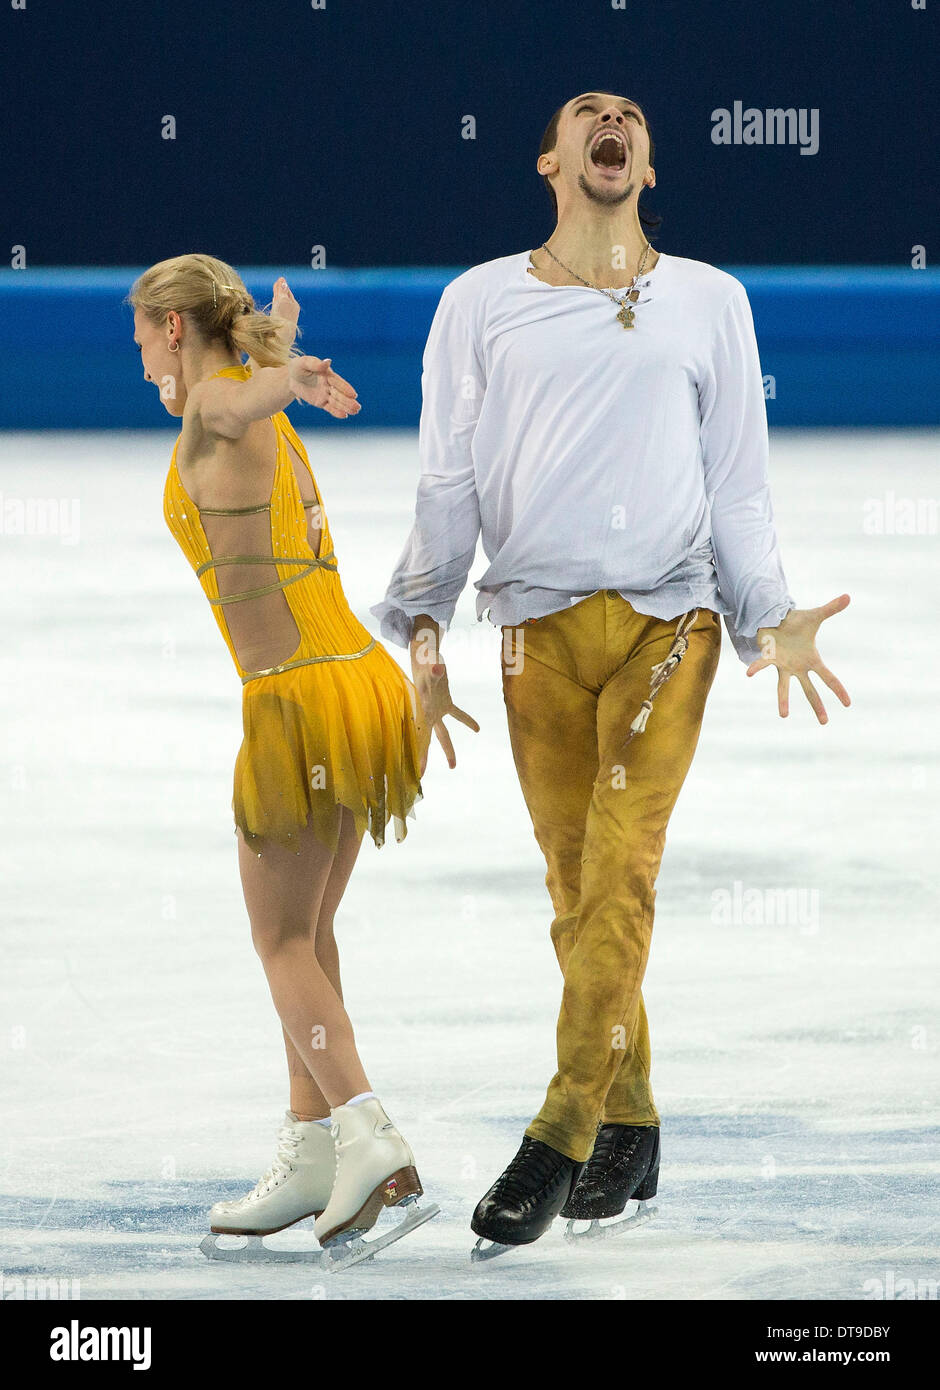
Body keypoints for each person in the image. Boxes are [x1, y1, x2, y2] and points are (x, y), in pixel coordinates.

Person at [371, 93, 851, 1254]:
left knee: (621, 870)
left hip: (668, 618)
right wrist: (425, 628)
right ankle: (633, 1122)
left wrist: (768, 612)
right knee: (576, 892)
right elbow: (448, 485)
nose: (614, 122)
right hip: (531, 625)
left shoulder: (710, 300)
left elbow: (736, 482)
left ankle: (561, 1130)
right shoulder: (479, 301)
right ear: (551, 159)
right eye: (589, 114)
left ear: (646, 162)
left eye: (631, 117)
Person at [127, 253, 434, 1260]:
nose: (141, 368)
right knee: (308, 929)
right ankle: (311, 1149)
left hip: (298, 702)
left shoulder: (223, 401)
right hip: (355, 680)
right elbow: (251, 392)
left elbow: (231, 398)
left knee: (279, 942)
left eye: (141, 341)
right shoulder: (260, 408)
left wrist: (284, 370)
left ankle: (367, 1133)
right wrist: (288, 366)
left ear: (176, 329)